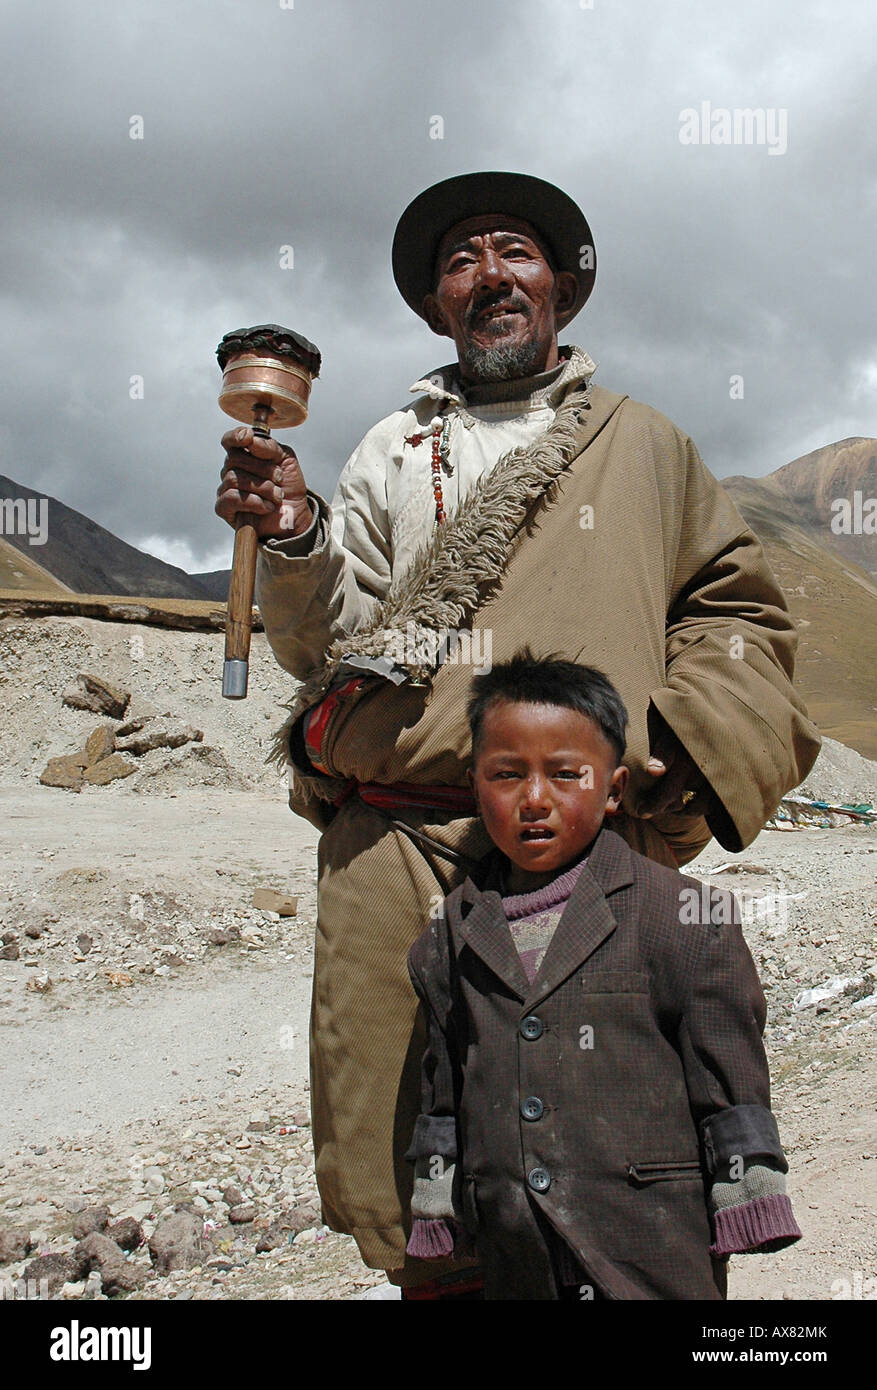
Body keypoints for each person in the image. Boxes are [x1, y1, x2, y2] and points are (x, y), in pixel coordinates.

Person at [215, 171, 820, 1294]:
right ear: (438, 305)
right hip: (395, 848)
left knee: (613, 1161)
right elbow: (331, 647)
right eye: (460, 261)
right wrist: (294, 534)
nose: (487, 275)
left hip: (589, 855)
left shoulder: (647, 449)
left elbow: (736, 614)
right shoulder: (391, 449)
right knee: (415, 1178)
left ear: (562, 288)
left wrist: (680, 742)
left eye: (513, 252)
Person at [404, 647, 802, 1300]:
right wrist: (435, 1201)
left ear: (613, 789)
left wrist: (747, 1192)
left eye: (565, 774)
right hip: (517, 1263)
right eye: (507, 775)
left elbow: (725, 1069)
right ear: (475, 785)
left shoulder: (680, 921)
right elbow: (443, 1083)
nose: (534, 800)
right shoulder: (448, 938)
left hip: (652, 1254)